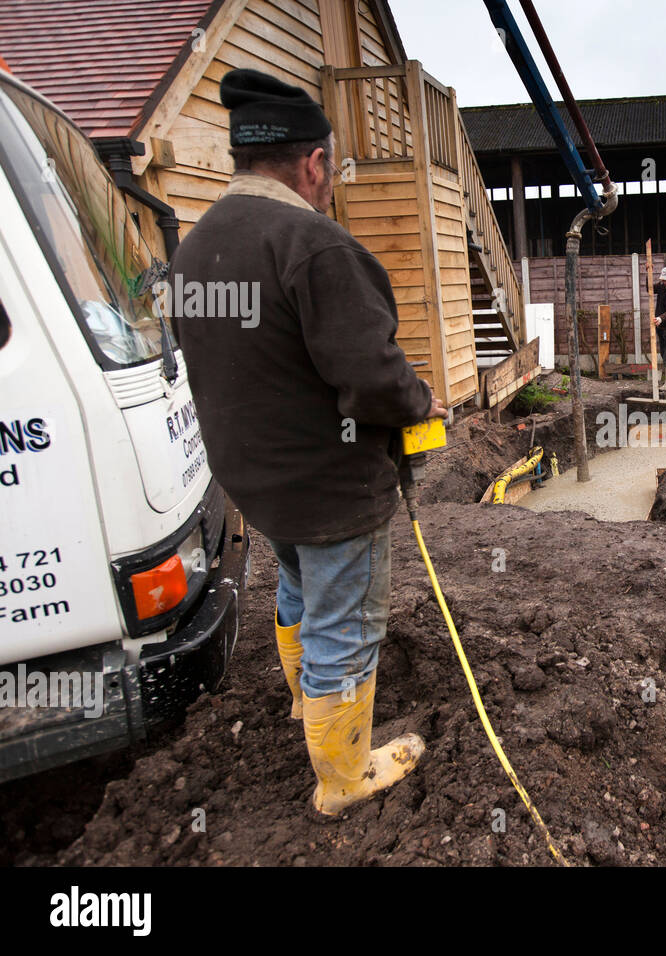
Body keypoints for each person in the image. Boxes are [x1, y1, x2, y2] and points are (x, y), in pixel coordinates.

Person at [171, 69, 445, 816]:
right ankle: (342, 780)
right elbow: (374, 377)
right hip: (329, 488)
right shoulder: (313, 245)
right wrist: (421, 403)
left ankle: (306, 705)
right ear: (314, 163)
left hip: (256, 483)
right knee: (347, 625)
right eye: (329, 171)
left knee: (297, 588)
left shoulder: (195, 249)